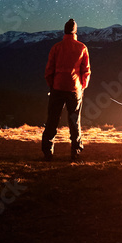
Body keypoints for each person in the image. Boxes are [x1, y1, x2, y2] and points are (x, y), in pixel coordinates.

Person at [41, 18, 91, 162]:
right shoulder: (82, 47)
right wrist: (82, 86)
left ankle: (47, 152)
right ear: (75, 31)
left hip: (57, 87)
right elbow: (86, 71)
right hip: (74, 89)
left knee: (52, 119)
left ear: (64, 31)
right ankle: (75, 151)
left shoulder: (56, 47)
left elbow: (49, 70)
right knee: (74, 120)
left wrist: (52, 84)